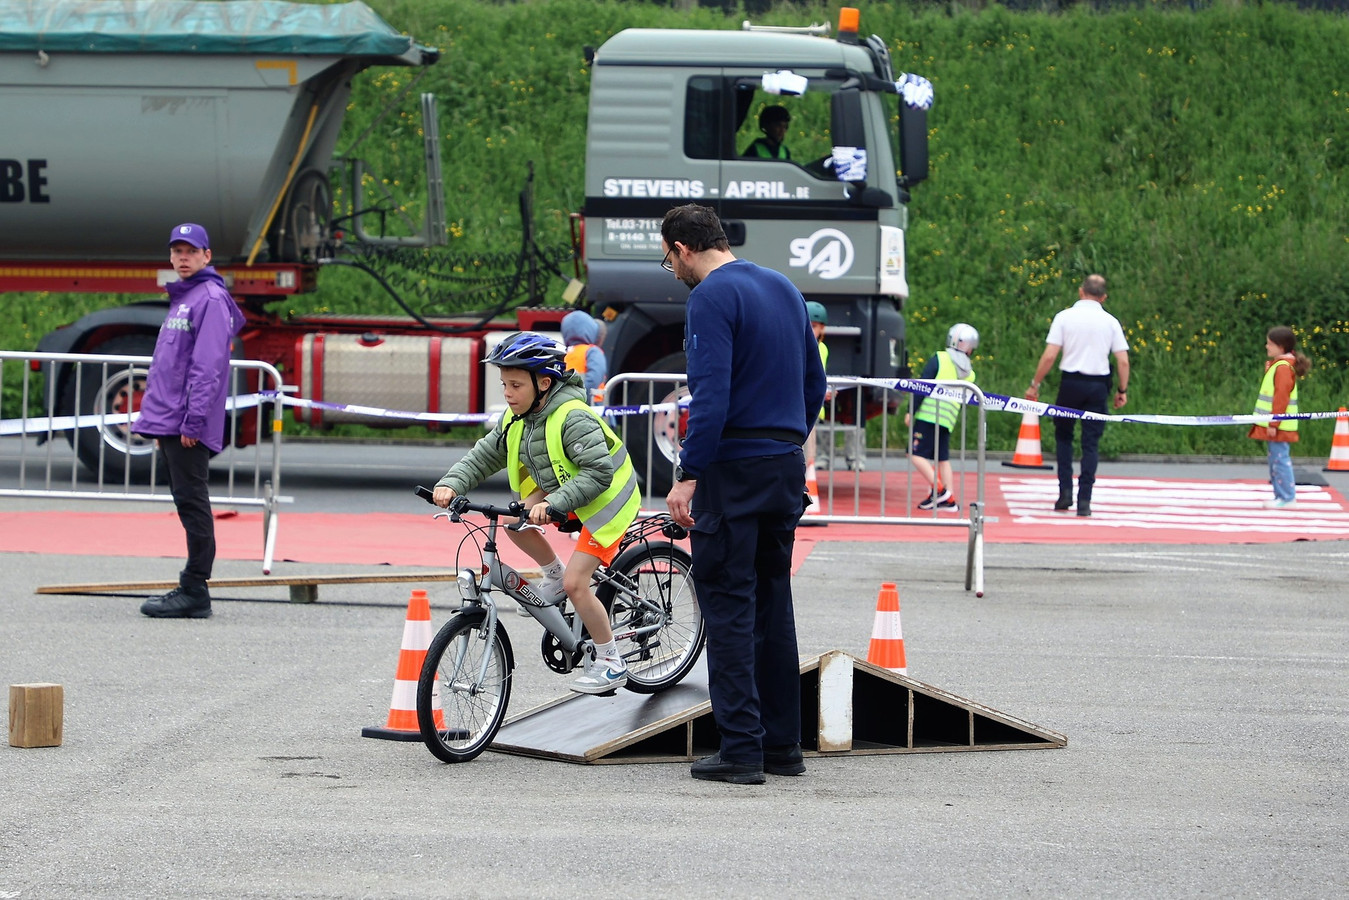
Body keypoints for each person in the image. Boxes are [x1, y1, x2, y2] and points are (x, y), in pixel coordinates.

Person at [661, 203, 827, 784]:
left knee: (729, 607)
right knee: (772, 608)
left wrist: (689, 472)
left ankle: (741, 751)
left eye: (668, 258)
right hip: (783, 469)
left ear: (683, 248)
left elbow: (711, 394)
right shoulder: (783, 287)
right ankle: (784, 747)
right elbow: (816, 383)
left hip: (733, 471)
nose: (671, 269)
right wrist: (786, 440)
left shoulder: (709, 297)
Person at [431, 332, 641, 694]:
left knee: (579, 584)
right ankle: (553, 573)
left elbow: (599, 472)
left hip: (608, 498)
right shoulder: (518, 419)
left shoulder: (573, 417)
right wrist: (453, 483)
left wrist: (554, 504)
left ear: (544, 383)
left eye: (515, 384)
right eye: (503, 384)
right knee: (514, 520)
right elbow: (484, 456)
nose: (507, 393)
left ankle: (611, 662)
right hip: (566, 488)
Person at [132, 223, 245, 619]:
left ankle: (195, 588)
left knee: (193, 502)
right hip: (171, 420)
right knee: (186, 501)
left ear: (206, 256)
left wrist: (193, 422)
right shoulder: (186, 296)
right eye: (176, 251)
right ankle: (192, 585)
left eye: (190, 251)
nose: (182, 257)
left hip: (185, 424)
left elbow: (208, 368)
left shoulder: (210, 298)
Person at [1025, 274, 1130, 518]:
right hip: (1098, 387)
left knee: (1064, 437)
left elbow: (1050, 355)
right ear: (1103, 297)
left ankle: (1064, 493)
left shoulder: (1064, 317)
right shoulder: (1111, 322)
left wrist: (1035, 384)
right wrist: (1121, 390)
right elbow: (1122, 361)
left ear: (1081, 291)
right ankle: (1085, 501)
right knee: (1090, 443)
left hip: (1070, 383)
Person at [908, 323, 978, 511]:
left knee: (915, 454)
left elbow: (922, 386)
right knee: (942, 459)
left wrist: (911, 410)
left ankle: (940, 490)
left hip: (929, 415)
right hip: (948, 420)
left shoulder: (940, 358)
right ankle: (949, 499)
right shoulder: (969, 373)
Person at [1249, 326, 1311, 510]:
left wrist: (1273, 422)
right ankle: (1281, 495)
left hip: (1279, 424)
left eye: (1270, 344)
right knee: (1276, 459)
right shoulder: (1281, 365)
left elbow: (1281, 398)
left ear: (1281, 346)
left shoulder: (1283, 368)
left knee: (1279, 460)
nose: (1266, 346)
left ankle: (1286, 497)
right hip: (1279, 423)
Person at [802, 301, 830, 493]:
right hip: (798, 408)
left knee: (809, 453)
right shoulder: (800, 345)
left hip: (812, 409)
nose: (810, 331)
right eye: (807, 325)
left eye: (813, 327)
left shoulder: (823, 349)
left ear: (822, 329)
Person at [560, 309, 608, 407]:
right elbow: (595, 378)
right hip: (594, 405)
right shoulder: (592, 351)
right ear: (591, 329)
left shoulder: (563, 353)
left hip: (569, 404)